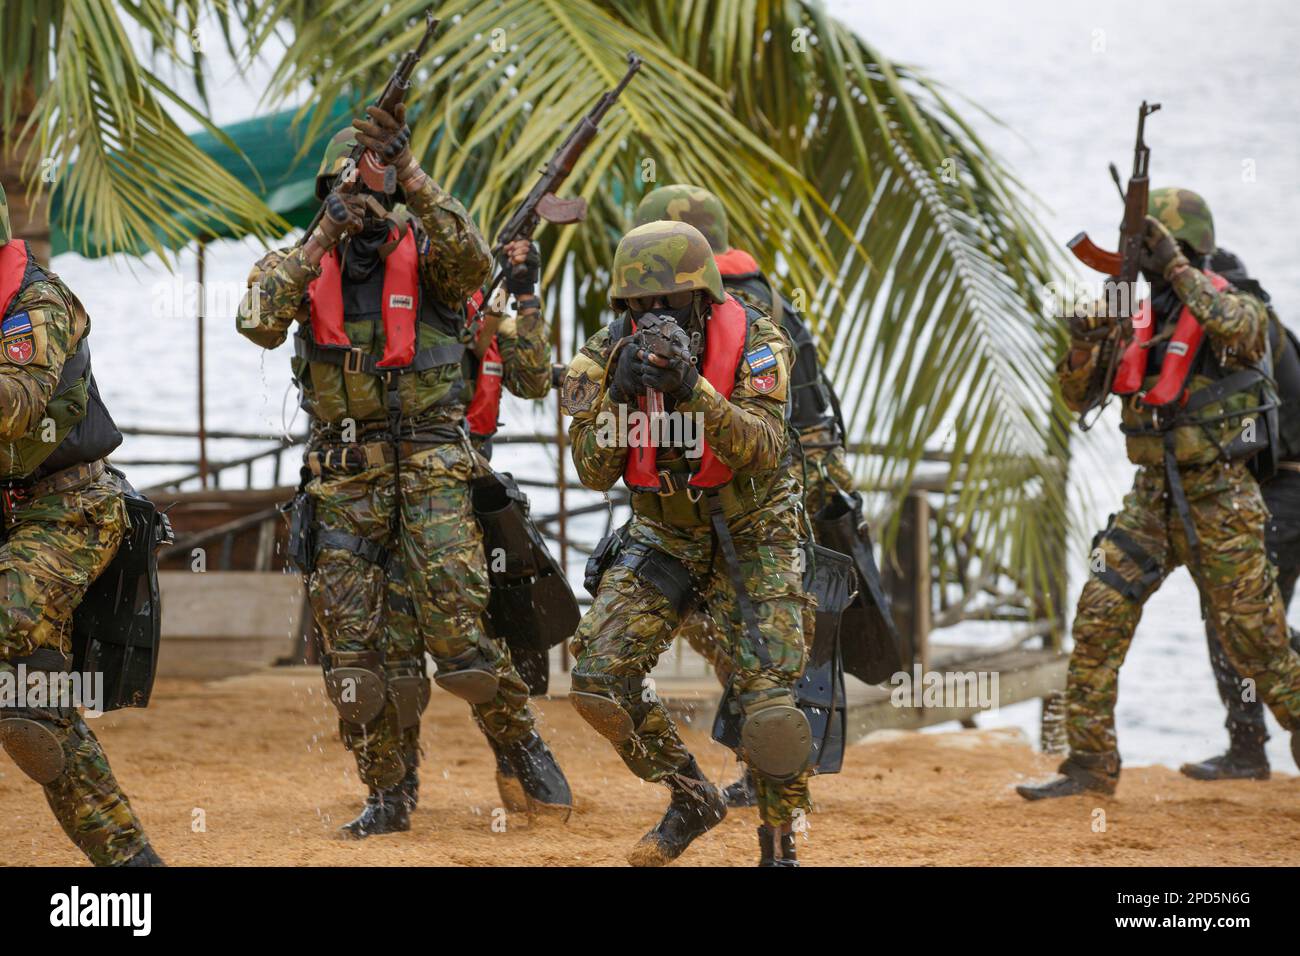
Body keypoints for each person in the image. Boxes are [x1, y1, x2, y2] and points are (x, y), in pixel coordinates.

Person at [236, 103, 571, 837]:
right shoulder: (305, 258)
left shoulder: (434, 253)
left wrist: (411, 175)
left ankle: (519, 740)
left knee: (458, 638)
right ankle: (388, 795)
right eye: (346, 191)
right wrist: (325, 229)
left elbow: (476, 263)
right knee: (357, 655)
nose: (362, 206)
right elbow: (256, 318)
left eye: (372, 191)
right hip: (342, 476)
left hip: (432, 467)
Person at [1018, 188, 1300, 800]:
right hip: (1152, 497)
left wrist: (1175, 265)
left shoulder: (1239, 304)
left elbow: (1243, 332)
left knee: (1261, 647)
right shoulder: (1142, 317)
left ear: (1185, 247)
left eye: (1153, 246)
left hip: (1220, 499)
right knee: (1099, 614)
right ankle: (1090, 765)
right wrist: (1087, 337)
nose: (1142, 259)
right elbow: (1079, 396)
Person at [562, 219, 812, 866]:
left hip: (753, 530)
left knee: (770, 709)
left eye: (667, 305)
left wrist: (690, 387)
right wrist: (618, 402)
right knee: (598, 678)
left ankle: (780, 849)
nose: (651, 320)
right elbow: (591, 469)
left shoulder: (758, 338)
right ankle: (690, 794)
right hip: (665, 532)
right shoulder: (604, 354)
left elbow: (760, 447)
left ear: (705, 298)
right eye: (637, 307)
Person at [0, 182, 163, 866]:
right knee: (32, 708)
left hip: (68, 508)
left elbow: (18, 402)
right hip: (16, 515)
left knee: (6, 628)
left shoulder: (38, 299)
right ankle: (131, 864)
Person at [1180, 248, 1300, 781]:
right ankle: (1248, 745)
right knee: (1251, 615)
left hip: (1284, 488)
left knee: (1238, 613)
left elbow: (1256, 430)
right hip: (1281, 487)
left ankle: (1248, 748)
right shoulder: (1267, 327)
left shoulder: (1249, 333)